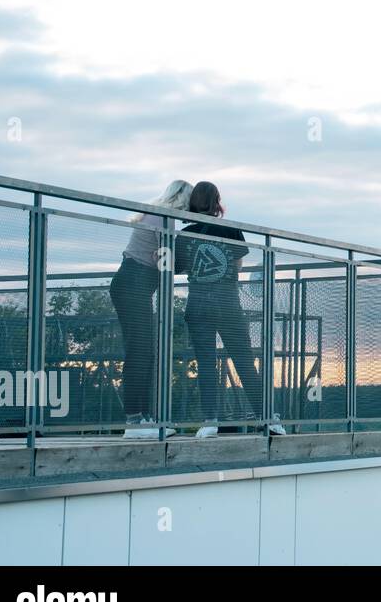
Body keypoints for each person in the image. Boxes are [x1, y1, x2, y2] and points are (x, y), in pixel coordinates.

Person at [176, 182, 284, 438]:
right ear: (217, 201)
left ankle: (210, 421)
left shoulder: (184, 234)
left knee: (205, 363)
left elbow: (179, 268)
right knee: (244, 361)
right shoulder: (231, 229)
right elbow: (237, 265)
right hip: (227, 302)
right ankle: (267, 418)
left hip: (198, 302)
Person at [110, 179, 192, 439]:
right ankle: (135, 422)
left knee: (143, 351)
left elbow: (163, 257)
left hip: (132, 283)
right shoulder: (163, 219)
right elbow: (167, 258)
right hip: (133, 282)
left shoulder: (156, 214)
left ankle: (142, 418)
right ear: (181, 198)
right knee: (139, 351)